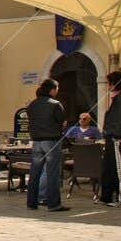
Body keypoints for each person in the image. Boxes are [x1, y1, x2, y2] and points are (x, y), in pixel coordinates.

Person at [26, 78, 69, 213]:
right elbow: (62, 121)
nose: (57, 91)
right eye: (56, 89)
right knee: (52, 173)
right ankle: (54, 204)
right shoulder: (55, 104)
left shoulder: (32, 105)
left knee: (34, 173)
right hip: (51, 141)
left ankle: (31, 203)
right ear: (52, 90)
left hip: (37, 142)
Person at [98, 70, 121, 206]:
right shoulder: (119, 97)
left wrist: (115, 134)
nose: (108, 86)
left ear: (115, 83)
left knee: (119, 169)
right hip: (113, 137)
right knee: (110, 167)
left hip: (117, 138)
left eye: (109, 83)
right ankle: (106, 196)